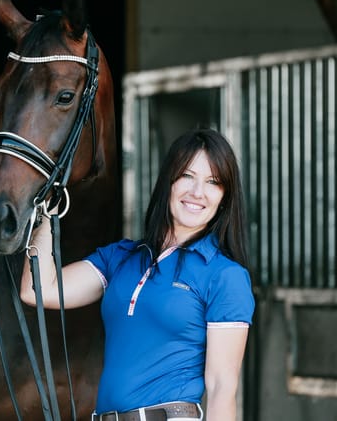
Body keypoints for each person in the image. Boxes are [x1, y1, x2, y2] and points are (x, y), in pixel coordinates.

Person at [21, 128, 255, 421]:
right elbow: (38, 289)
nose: (197, 192)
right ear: (168, 181)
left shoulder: (225, 276)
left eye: (213, 182)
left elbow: (222, 386)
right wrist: (43, 213)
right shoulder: (121, 257)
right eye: (187, 176)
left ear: (224, 197)